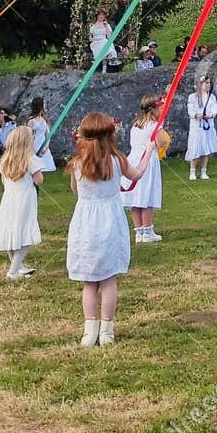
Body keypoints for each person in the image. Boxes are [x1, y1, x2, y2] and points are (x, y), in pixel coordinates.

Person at [67, 112, 154, 348]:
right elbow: (137, 174)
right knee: (108, 279)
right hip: (110, 221)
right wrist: (148, 151)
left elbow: (76, 190)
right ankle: (107, 331)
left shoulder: (76, 163)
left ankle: (89, 332)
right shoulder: (118, 160)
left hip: (85, 223)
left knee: (89, 281)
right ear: (110, 135)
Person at [0, 125, 44, 279]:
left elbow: (3, 182)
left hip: (9, 199)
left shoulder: (5, 161)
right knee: (26, 233)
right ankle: (13, 271)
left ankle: (18, 266)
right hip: (25, 200)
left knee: (11, 230)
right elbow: (39, 181)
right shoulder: (31, 160)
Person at [122, 95, 169, 244]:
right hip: (147, 161)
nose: (162, 110)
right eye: (161, 108)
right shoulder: (155, 126)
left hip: (133, 160)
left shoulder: (136, 125)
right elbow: (162, 143)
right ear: (154, 109)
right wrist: (161, 129)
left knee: (136, 197)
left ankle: (139, 232)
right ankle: (147, 231)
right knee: (146, 196)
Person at [186, 76, 217, 181]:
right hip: (196, 127)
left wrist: (210, 115)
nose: (209, 85)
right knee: (195, 148)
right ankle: (192, 172)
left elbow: (214, 110)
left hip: (207, 126)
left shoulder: (212, 97)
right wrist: (196, 115)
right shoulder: (192, 97)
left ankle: (203, 171)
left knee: (206, 148)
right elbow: (190, 110)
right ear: (200, 85)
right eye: (206, 83)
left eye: (209, 83)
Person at [28, 97, 56, 175]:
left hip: (43, 145)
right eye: (43, 104)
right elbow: (28, 136)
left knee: (49, 168)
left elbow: (48, 134)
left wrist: (46, 147)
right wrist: (33, 149)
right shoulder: (31, 121)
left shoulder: (44, 119)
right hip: (34, 146)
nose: (45, 105)